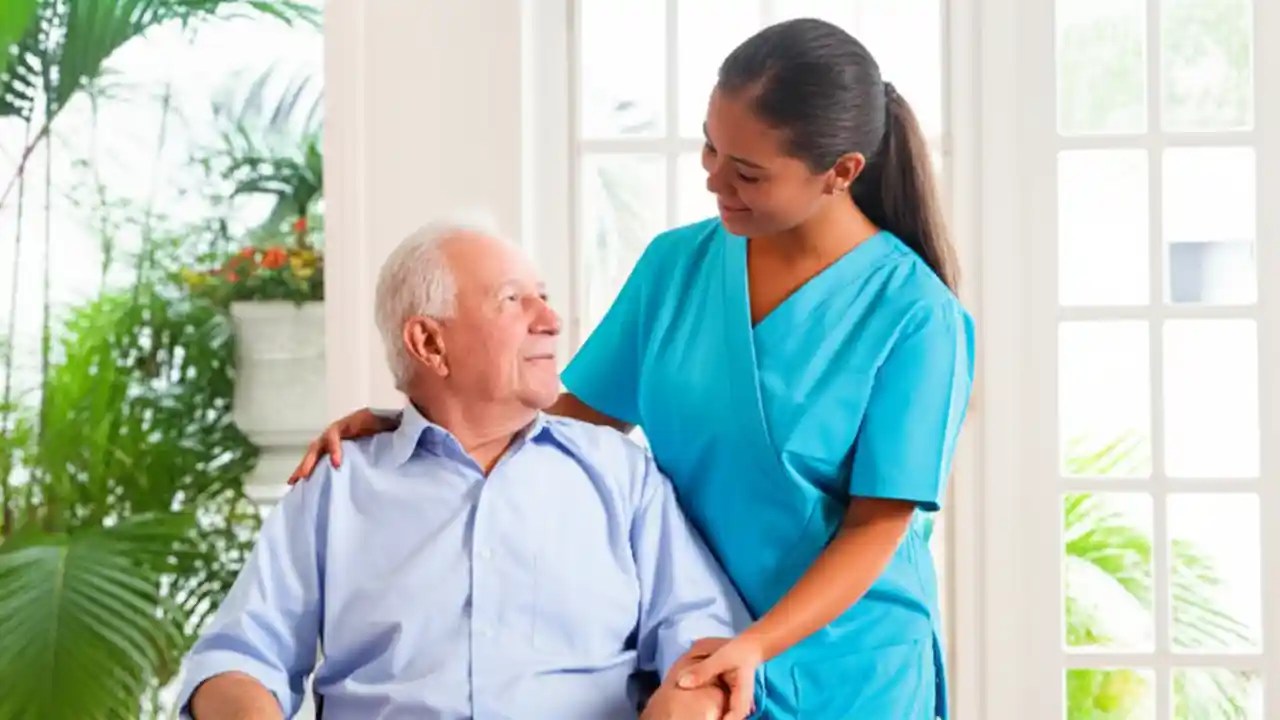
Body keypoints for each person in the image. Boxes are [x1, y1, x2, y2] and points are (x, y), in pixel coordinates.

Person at [292, 17, 975, 720]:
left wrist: (755, 646)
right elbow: (564, 428)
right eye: (711, 147)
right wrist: (422, 420)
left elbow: (876, 526)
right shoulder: (675, 267)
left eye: (747, 172)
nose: (714, 178)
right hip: (695, 653)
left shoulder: (919, 318)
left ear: (842, 172)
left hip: (847, 668)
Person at [175, 220, 751, 720]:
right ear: (428, 341)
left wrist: (690, 700)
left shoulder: (621, 476)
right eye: (511, 300)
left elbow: (703, 636)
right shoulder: (340, 484)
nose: (550, 319)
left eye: (543, 296)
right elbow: (240, 658)